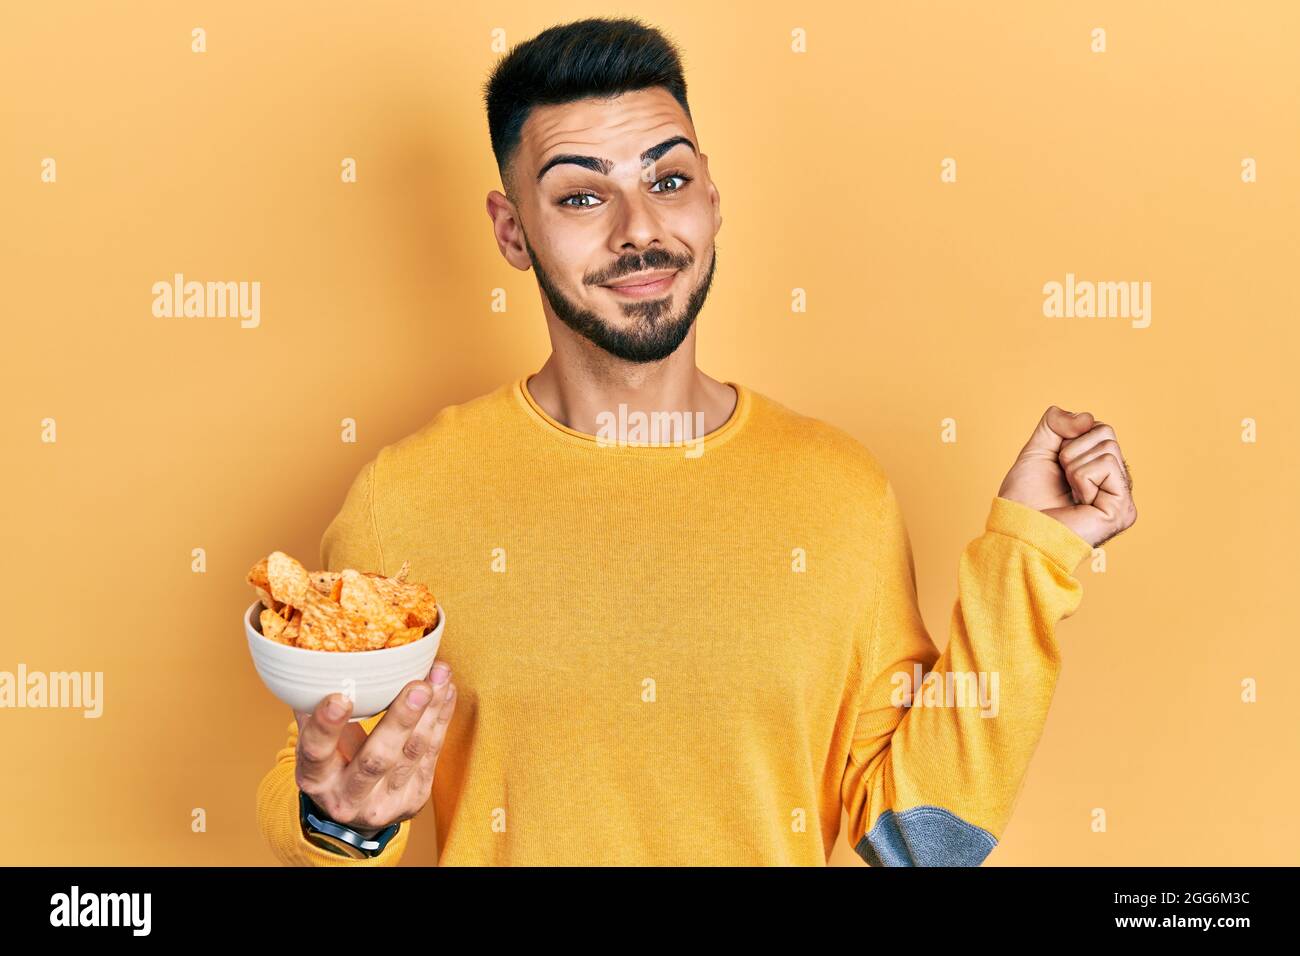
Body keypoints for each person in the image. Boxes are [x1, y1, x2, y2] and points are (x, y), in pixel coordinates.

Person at [254, 16, 1137, 866]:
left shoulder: (837, 495)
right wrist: (340, 823)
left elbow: (921, 843)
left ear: (713, 197)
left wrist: (1029, 555)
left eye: (667, 181)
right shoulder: (404, 499)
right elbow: (333, 777)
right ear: (511, 230)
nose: (639, 228)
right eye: (582, 195)